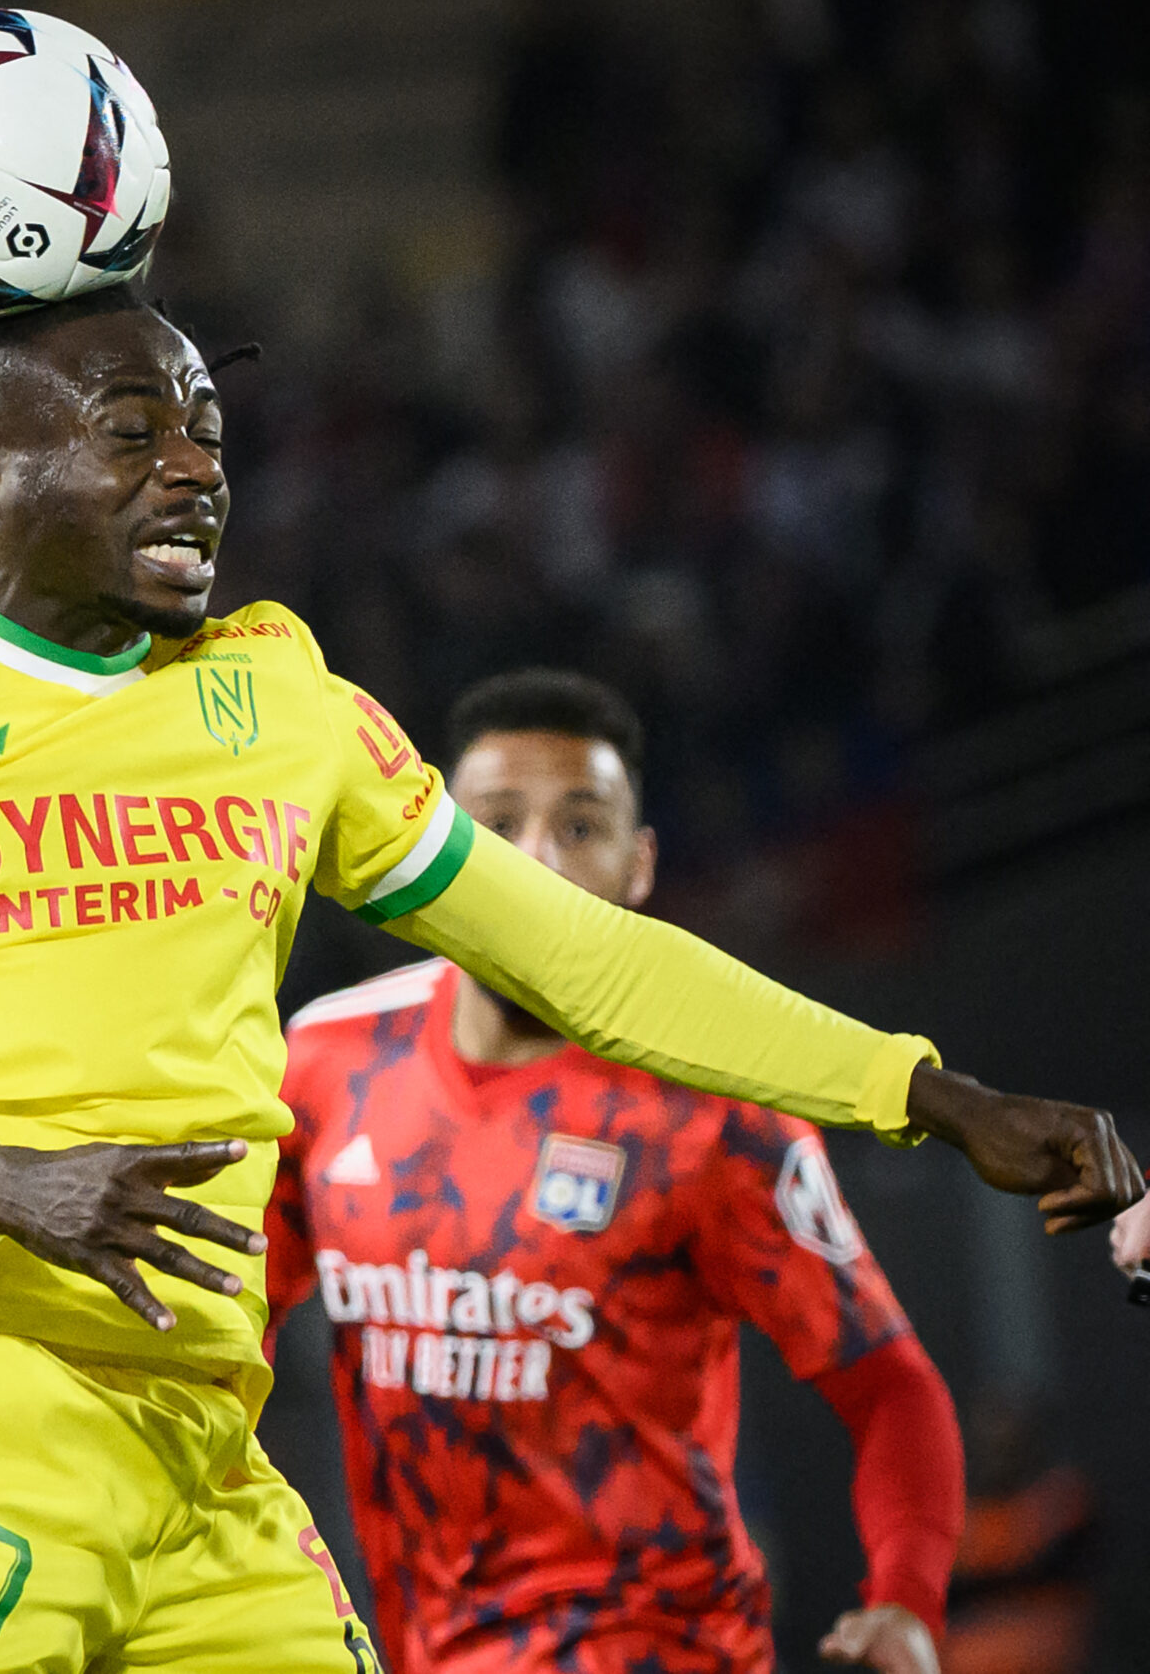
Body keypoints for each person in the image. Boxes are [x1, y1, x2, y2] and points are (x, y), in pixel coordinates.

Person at [0, 258, 1140, 1673]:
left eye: (205, 427)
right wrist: (2, 1178)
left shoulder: (279, 697)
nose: (194, 467)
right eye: (134, 433)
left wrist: (924, 1091)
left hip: (200, 1446)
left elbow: (590, 960)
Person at [265, 669, 962, 1674]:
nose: (535, 862)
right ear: (433, 853)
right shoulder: (328, 1061)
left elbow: (888, 1385)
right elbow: (220, 1340)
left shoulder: (709, 1106)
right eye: (494, 826)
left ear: (640, 867)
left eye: (579, 827)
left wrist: (905, 1601)